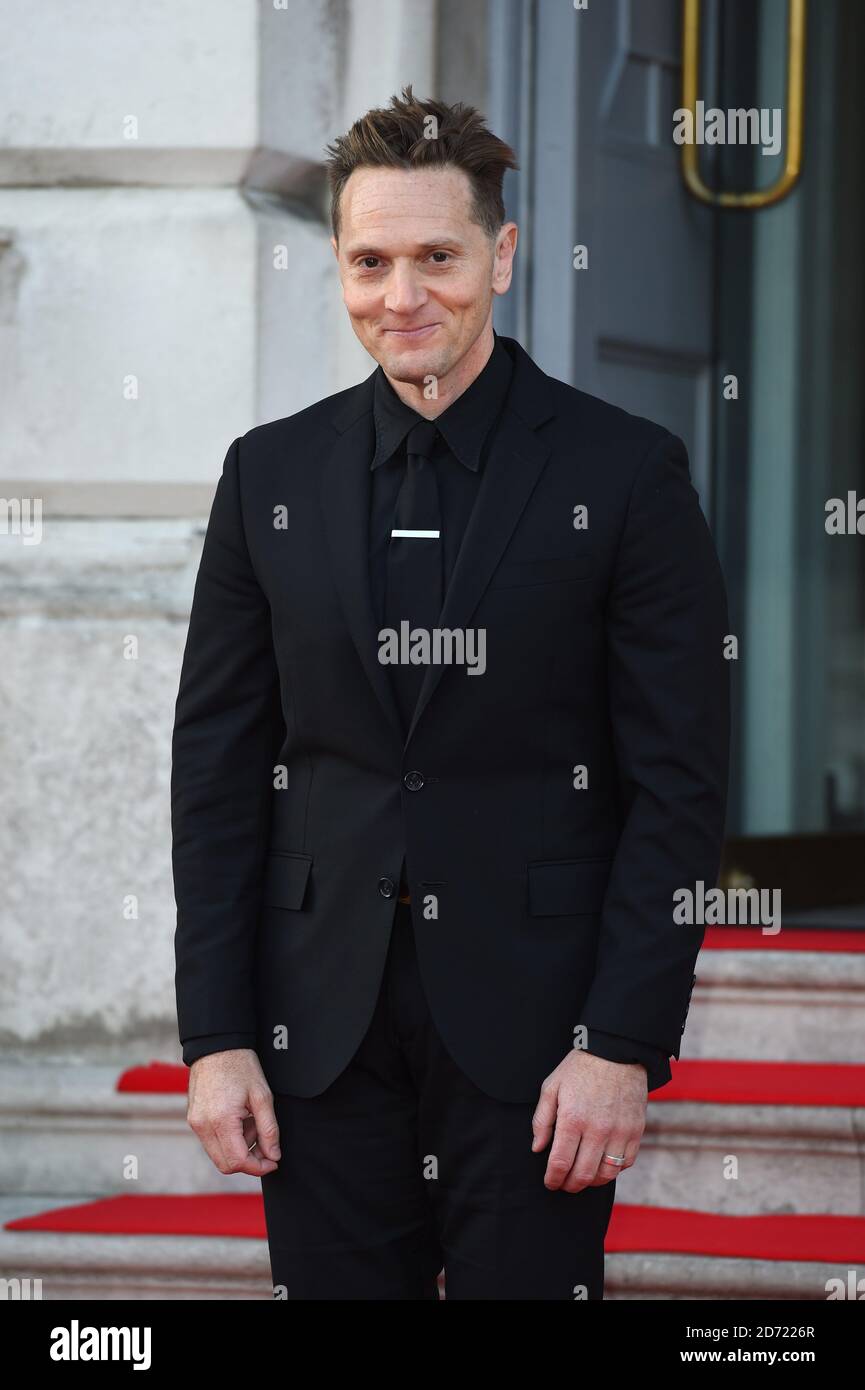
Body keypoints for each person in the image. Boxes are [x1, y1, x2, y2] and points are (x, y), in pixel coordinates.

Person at [171, 86, 730, 1300]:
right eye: (370, 260)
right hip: (315, 1031)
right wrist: (214, 1035)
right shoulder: (265, 474)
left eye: (438, 256)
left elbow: (677, 788)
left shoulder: (625, 473)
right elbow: (215, 774)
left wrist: (621, 1043)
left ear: (504, 255)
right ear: (338, 264)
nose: (402, 295)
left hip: (537, 1043)